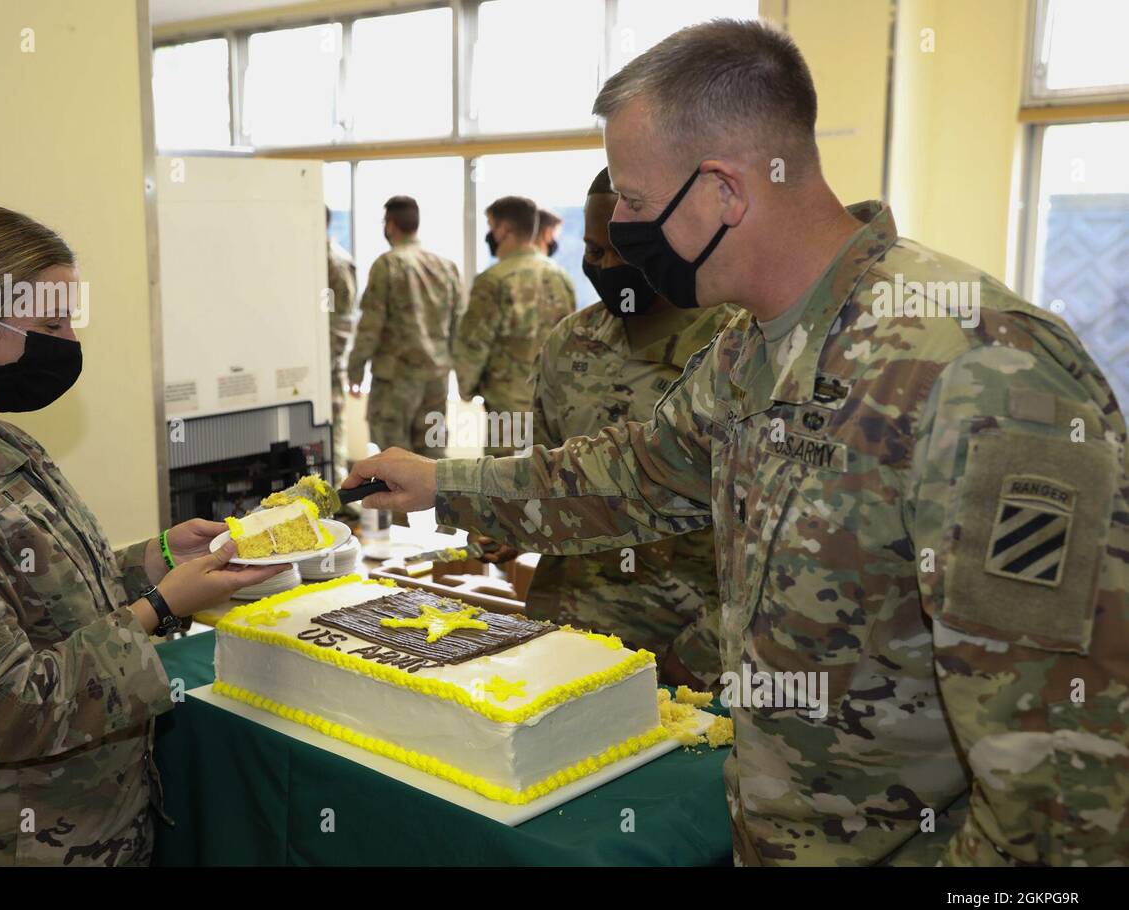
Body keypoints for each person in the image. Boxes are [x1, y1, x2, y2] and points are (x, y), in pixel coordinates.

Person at [345, 20, 1129, 866]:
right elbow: (635, 477)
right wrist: (441, 483)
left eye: (637, 206)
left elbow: (1059, 801)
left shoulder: (986, 368)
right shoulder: (750, 348)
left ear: (723, 190)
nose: (624, 237)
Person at [0, 204, 282, 865]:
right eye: (49, 324)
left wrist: (155, 562)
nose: (68, 342)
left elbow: (46, 596)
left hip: (100, 828)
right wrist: (160, 607)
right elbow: (3, 712)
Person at [479, 169, 731, 688]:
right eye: (595, 252)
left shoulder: (730, 349)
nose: (609, 267)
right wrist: (510, 524)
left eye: (625, 251)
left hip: (675, 647)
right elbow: (545, 477)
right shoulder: (571, 341)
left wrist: (703, 654)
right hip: (563, 628)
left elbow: (768, 542)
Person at [454, 196, 577, 456]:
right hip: (552, 405)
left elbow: (473, 344)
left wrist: (465, 388)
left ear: (503, 230)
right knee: (547, 482)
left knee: (503, 487)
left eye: (490, 226)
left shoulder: (493, 280)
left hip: (507, 408)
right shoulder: (561, 277)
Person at [347, 195, 463, 459]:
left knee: (394, 461)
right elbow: (459, 325)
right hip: (436, 380)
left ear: (390, 225)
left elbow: (370, 327)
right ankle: (437, 503)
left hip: (395, 383)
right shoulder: (446, 267)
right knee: (434, 462)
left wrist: (355, 372)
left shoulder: (387, 265)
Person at [325, 206, 357, 482]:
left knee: (332, 432)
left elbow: (343, 322)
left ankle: (338, 501)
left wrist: (328, 361)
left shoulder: (334, 263)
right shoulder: (305, 255)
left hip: (327, 367)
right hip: (305, 369)